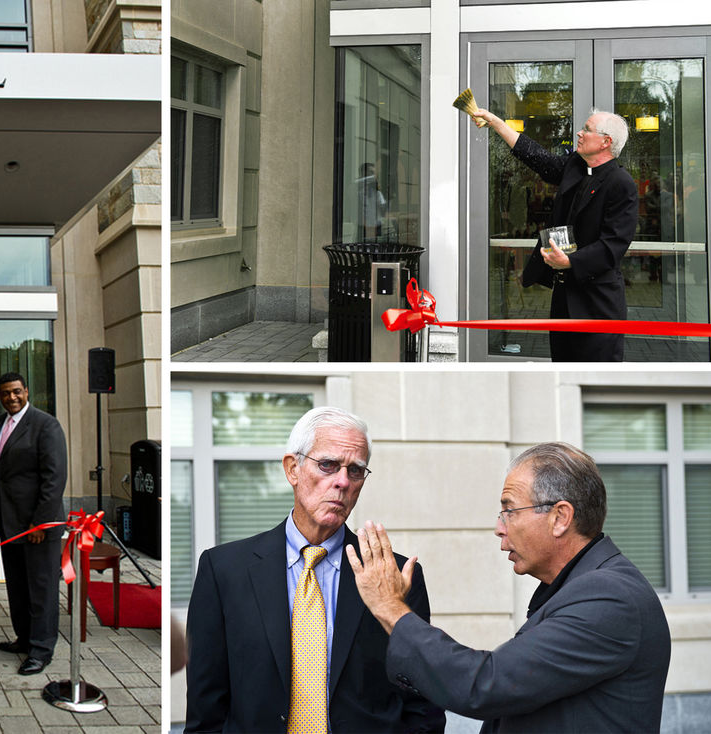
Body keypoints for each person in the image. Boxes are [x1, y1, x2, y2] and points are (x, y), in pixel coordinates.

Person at [348, 442, 671, 733]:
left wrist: (389, 607)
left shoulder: (610, 597)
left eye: (510, 510)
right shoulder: (583, 587)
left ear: (560, 517)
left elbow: (486, 685)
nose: (499, 528)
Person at [185, 407, 445, 733]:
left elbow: (422, 700)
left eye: (356, 471)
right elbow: (205, 706)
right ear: (293, 469)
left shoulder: (394, 574)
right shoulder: (224, 570)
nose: (342, 482)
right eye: (328, 465)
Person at [473, 107, 638, 361]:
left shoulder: (621, 183)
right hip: (564, 298)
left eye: (587, 129)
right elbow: (537, 157)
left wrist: (570, 261)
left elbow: (613, 245)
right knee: (561, 371)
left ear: (606, 142)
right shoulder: (575, 166)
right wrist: (496, 124)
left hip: (598, 304)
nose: (579, 134)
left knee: (594, 381)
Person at [0, 372, 68, 676]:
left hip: (37, 526)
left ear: (26, 391)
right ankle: (24, 639)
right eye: (6, 393)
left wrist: (41, 524)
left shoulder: (46, 425)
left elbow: (54, 478)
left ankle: (41, 649)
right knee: (18, 588)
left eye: (16, 392)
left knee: (42, 589)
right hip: (9, 524)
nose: (11, 398)